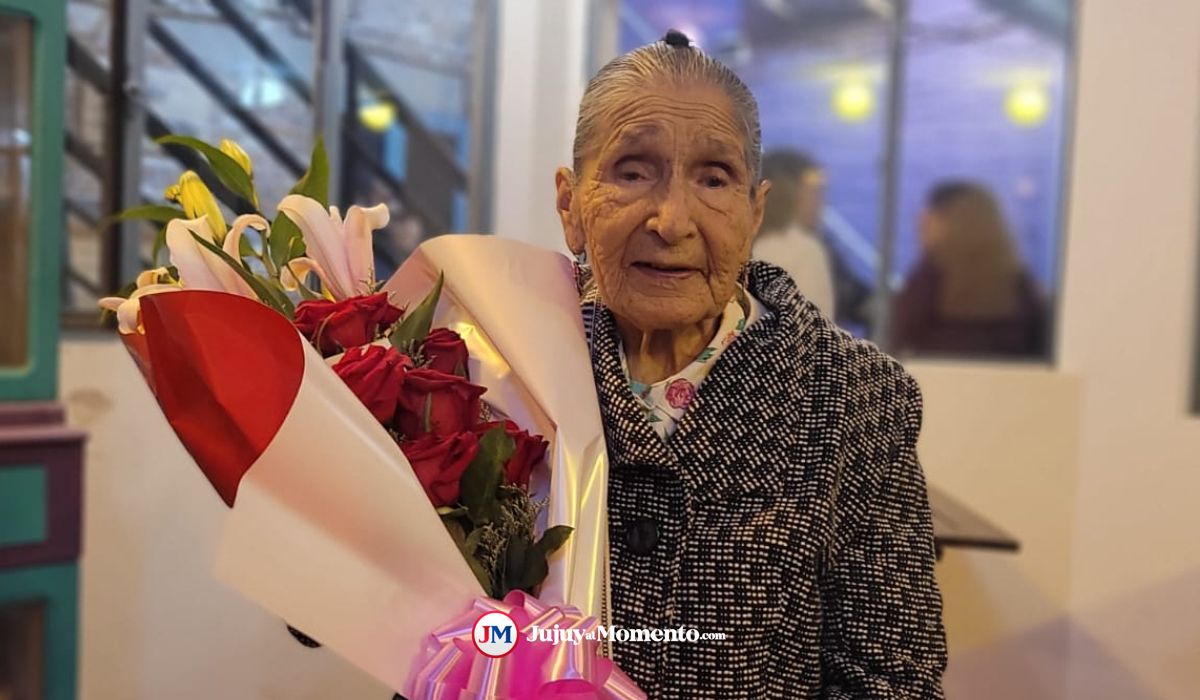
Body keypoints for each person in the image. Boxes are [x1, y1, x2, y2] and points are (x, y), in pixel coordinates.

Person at [553, 29, 946, 698]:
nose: (671, 219)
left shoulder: (856, 398)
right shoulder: (492, 359)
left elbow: (891, 682)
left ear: (754, 211)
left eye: (714, 178)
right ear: (570, 204)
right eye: (632, 170)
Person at [892, 181, 1048, 358]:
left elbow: (897, 338)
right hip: (1012, 383)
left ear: (949, 222)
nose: (919, 221)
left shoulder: (932, 278)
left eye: (930, 213)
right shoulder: (1019, 284)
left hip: (935, 380)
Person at [752, 150, 836, 316]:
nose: (819, 202)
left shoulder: (739, 246)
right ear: (788, 193)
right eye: (813, 192)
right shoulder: (803, 250)